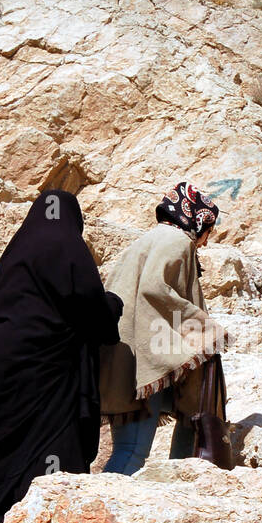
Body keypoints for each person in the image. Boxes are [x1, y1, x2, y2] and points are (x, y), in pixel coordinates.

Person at [0, 189, 122, 523]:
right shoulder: (68, 248)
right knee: (49, 448)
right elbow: (93, 311)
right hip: (43, 371)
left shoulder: (15, 254)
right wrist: (113, 304)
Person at [100, 181, 222, 475]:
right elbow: (157, 292)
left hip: (121, 358)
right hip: (145, 361)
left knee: (125, 449)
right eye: (209, 231)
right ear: (199, 221)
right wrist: (205, 330)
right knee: (132, 453)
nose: (205, 241)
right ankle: (99, 510)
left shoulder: (147, 239)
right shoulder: (178, 242)